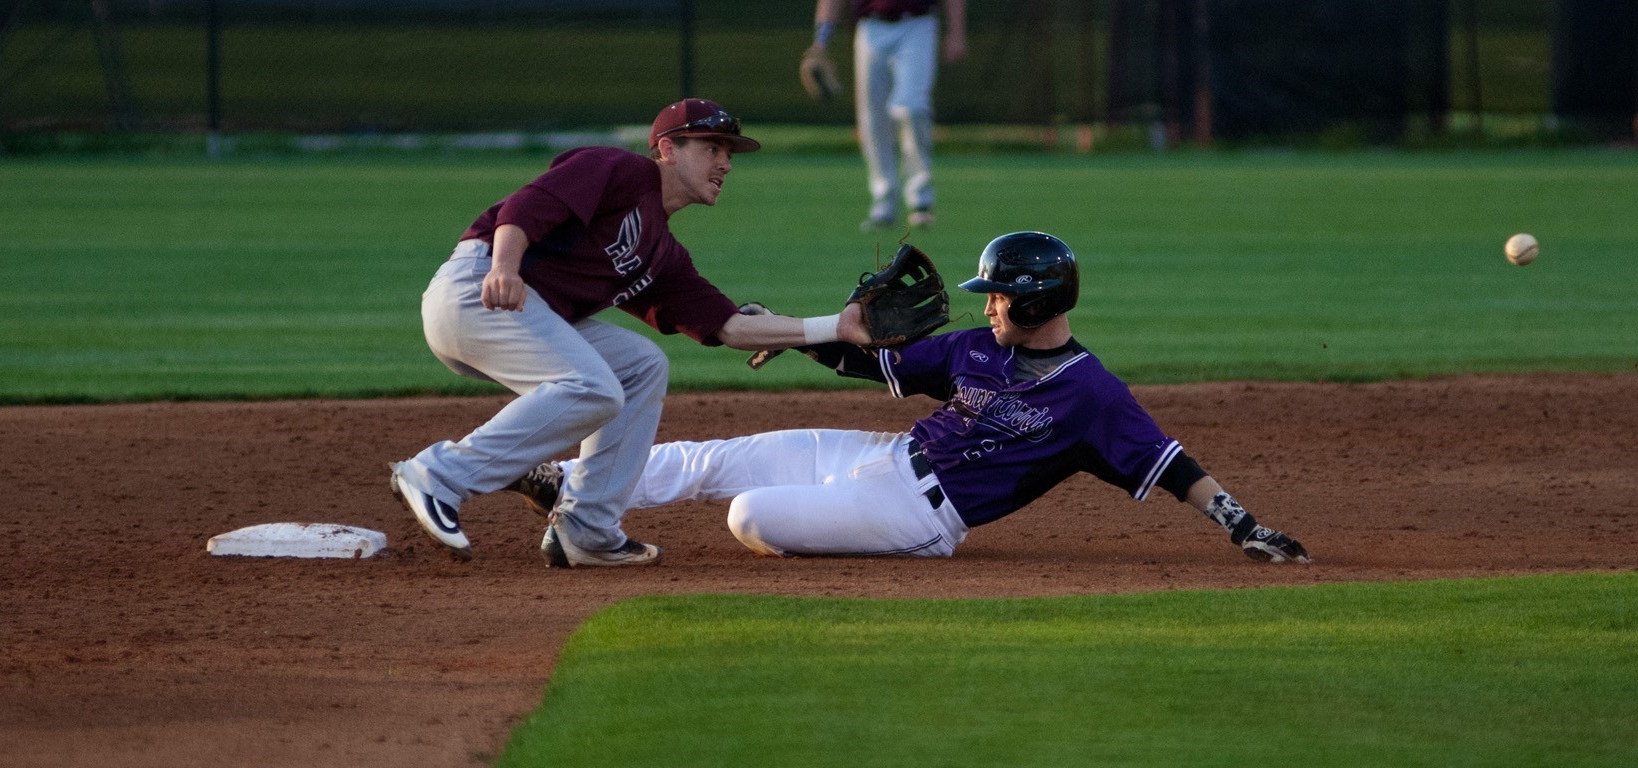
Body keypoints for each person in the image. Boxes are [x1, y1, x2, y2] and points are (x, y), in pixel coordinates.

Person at [505, 232, 1311, 563]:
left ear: (1033, 302)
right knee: (720, 459)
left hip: (921, 519)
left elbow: (1170, 465)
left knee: (746, 512)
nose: (986, 305)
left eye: (997, 296)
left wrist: (1243, 525)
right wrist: (791, 334)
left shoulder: (1093, 396)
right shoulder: (969, 349)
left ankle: (586, 510)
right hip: (884, 459)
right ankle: (571, 493)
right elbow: (868, 364)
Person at [389, 98, 871, 567]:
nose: (725, 163)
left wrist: (838, 327)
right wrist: (504, 268)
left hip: (524, 315)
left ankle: (587, 530)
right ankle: (439, 475)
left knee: (641, 366)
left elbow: (731, 326)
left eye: (728, 152)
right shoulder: (618, 170)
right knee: (592, 388)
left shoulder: (662, 252)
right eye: (712, 147)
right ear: (667, 148)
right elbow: (526, 205)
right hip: (478, 291)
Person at [808, 0, 967, 231]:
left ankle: (920, 199)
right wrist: (821, 40)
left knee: (911, 107)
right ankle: (883, 202)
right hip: (871, 28)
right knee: (872, 119)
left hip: (917, 24)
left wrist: (956, 31)